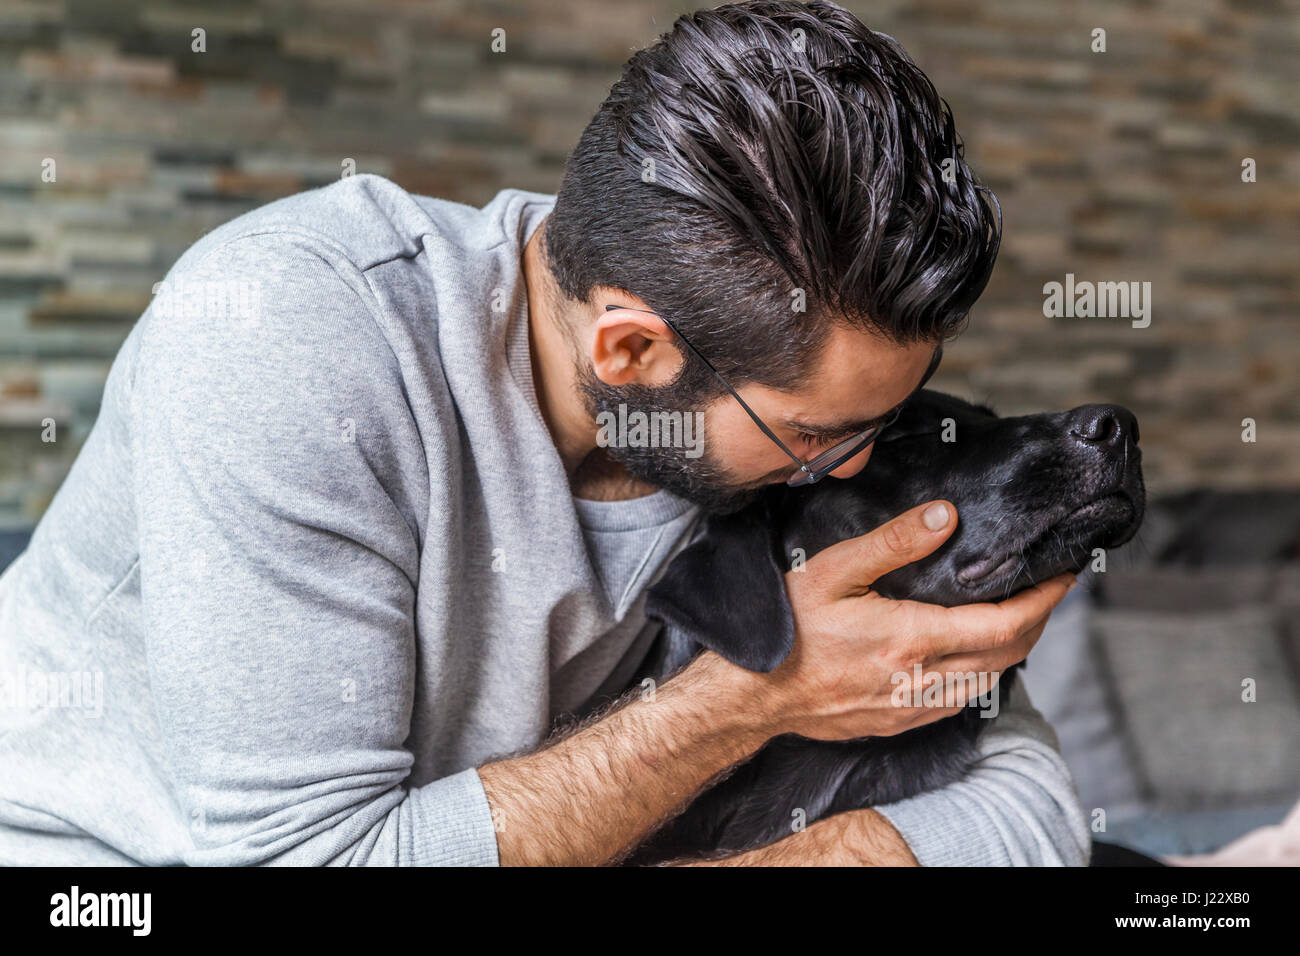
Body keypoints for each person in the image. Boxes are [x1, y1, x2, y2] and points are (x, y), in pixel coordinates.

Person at [0, 0, 1082, 865]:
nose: (851, 466)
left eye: (880, 424)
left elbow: (1031, 799)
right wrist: (753, 697)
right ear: (632, 351)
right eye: (814, 434)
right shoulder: (290, 338)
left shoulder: (754, 412)